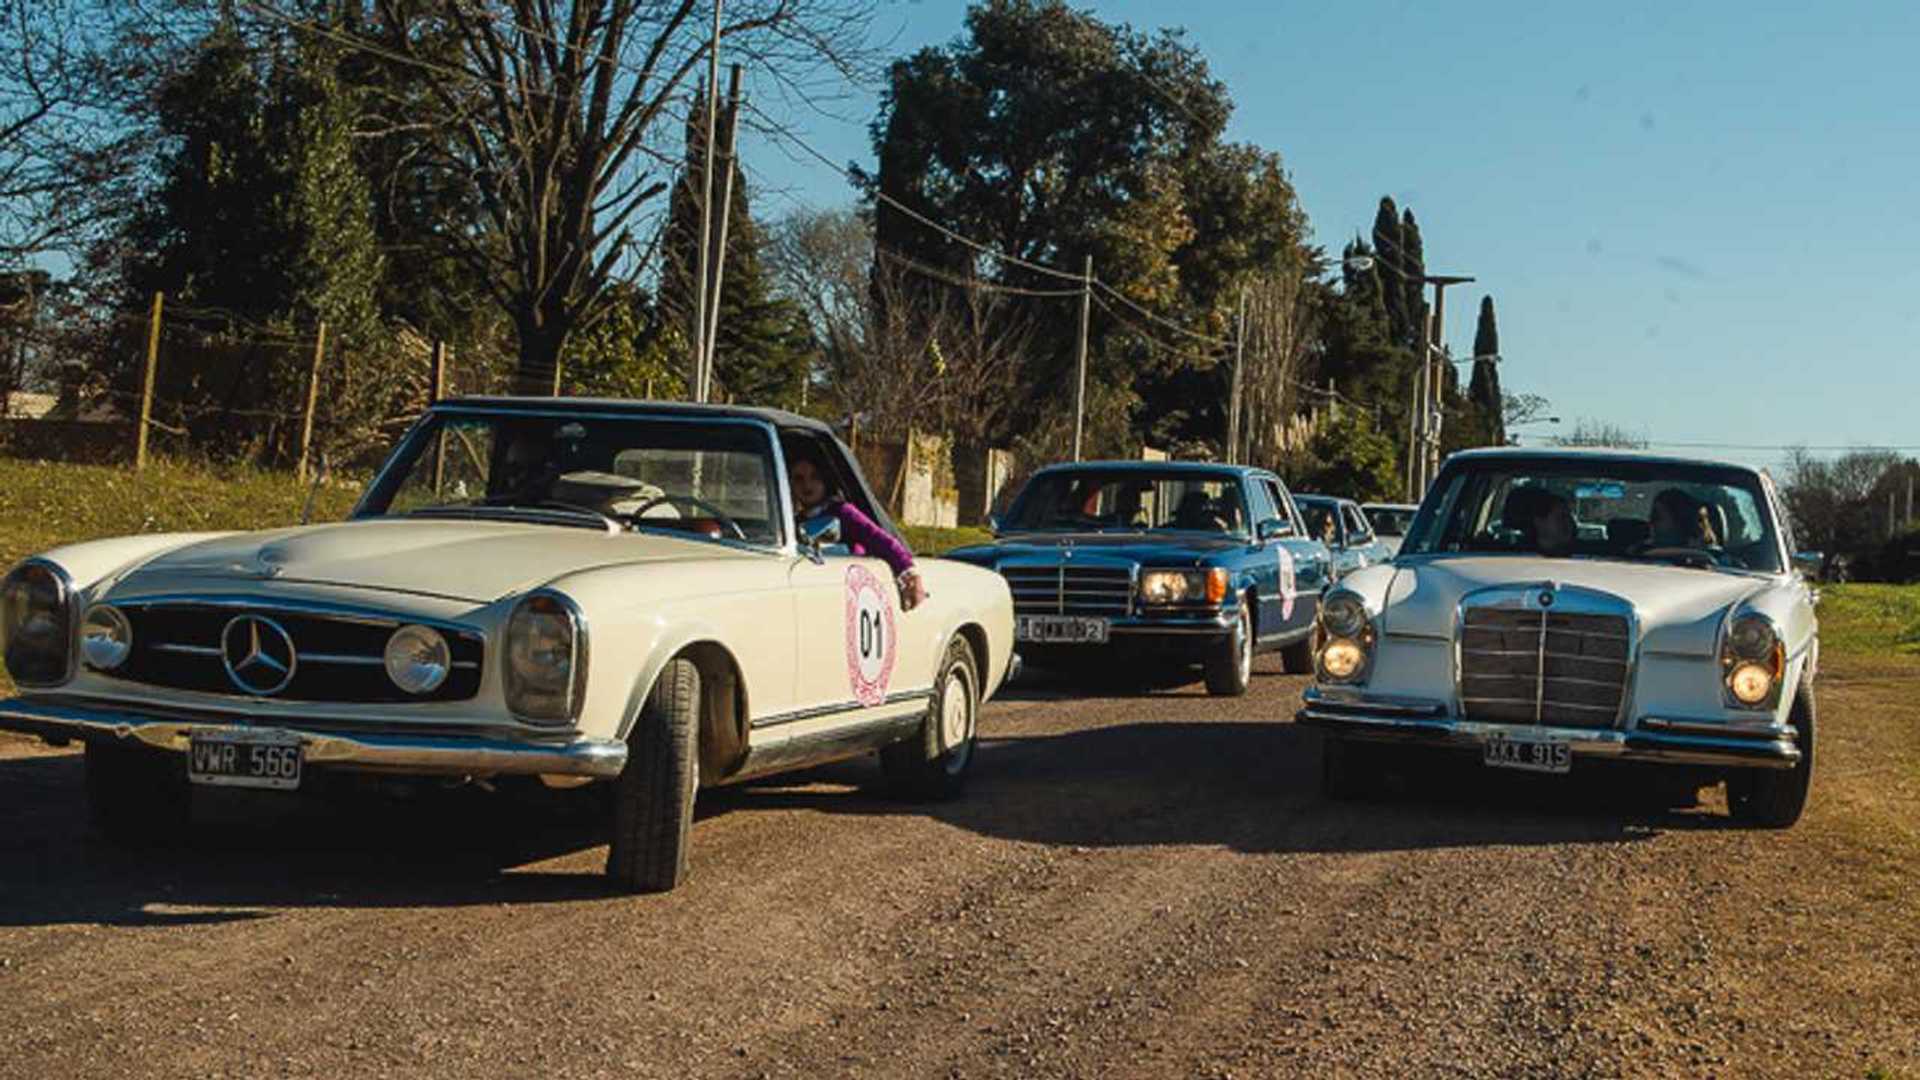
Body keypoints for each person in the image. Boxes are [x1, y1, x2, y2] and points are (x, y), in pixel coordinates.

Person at [787, 445, 927, 611]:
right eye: (798, 479)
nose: (807, 484)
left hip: (850, 591)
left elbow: (880, 540)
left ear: (825, 479)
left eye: (815, 477)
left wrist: (908, 574)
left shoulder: (843, 512)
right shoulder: (793, 521)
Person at [1504, 486, 1575, 557]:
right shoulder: (1512, 554)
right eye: (1561, 517)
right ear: (1539, 521)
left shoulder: (1579, 552)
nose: (1568, 522)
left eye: (1569, 516)